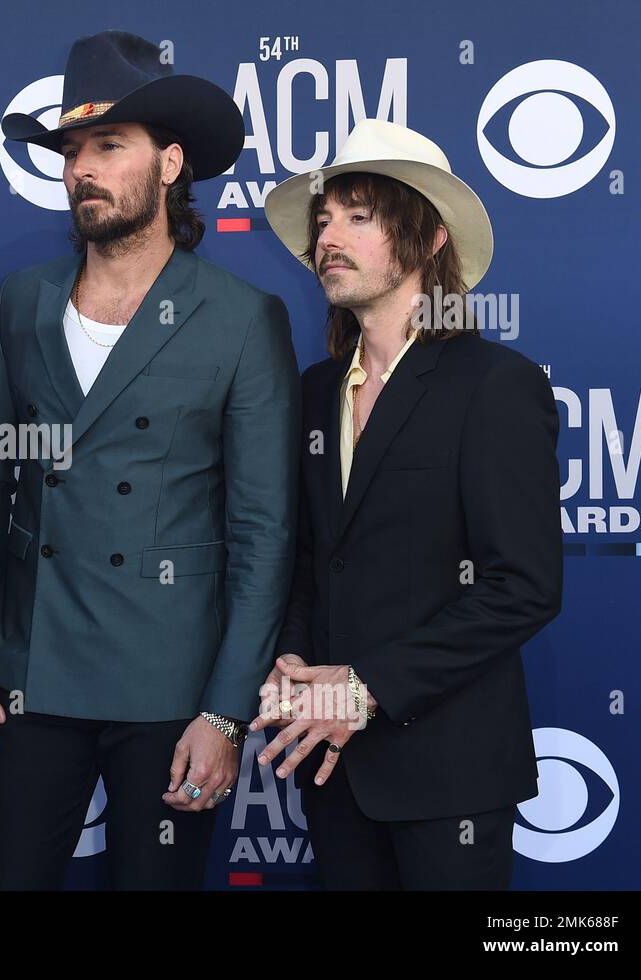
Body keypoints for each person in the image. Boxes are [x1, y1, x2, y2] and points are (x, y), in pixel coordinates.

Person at [0, 29, 300, 889]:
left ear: (171, 162)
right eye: (73, 151)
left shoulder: (240, 317)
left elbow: (262, 533)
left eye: (109, 146)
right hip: (27, 673)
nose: (83, 169)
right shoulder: (22, 301)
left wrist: (224, 711)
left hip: (169, 686)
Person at [253, 119, 563, 889]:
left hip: (449, 775)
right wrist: (290, 658)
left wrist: (364, 689)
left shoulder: (494, 383)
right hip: (332, 770)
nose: (329, 236)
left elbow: (523, 587)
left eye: (359, 216)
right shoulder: (316, 391)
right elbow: (311, 561)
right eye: (324, 220)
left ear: (428, 241)